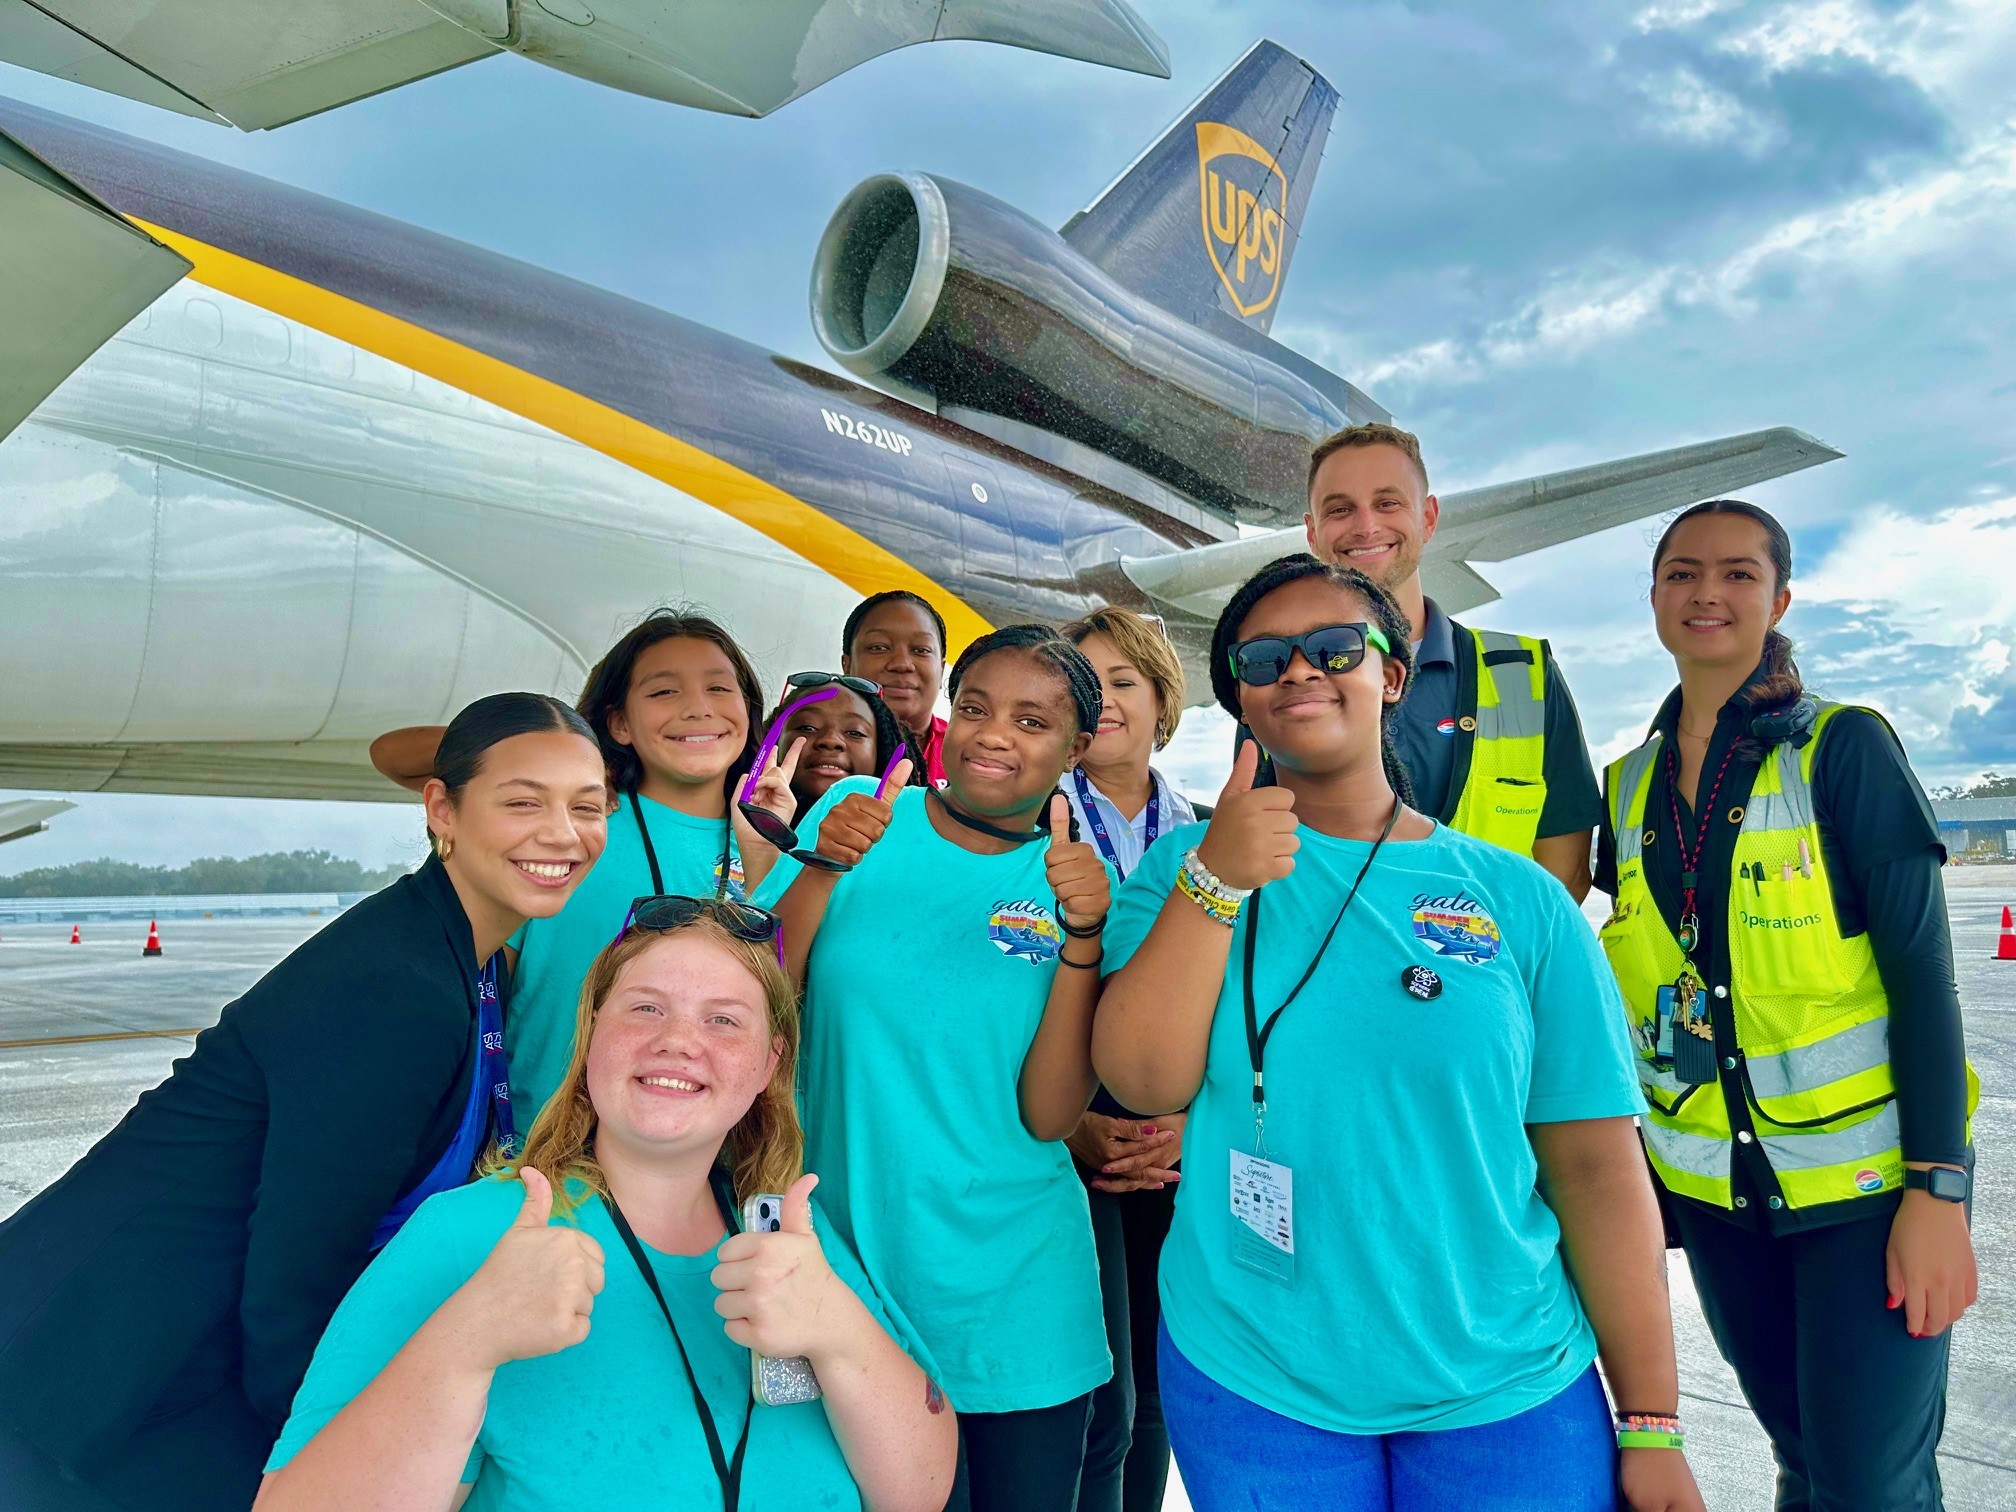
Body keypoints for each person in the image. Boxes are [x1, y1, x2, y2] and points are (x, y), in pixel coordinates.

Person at [1093, 554, 1707, 1512]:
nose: (1299, 671)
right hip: (1257, 1373)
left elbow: (1593, 1165)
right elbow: (1142, 1079)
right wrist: (1216, 880)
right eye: (1264, 660)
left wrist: (1654, 1421)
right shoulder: (1181, 870)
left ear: (1393, 674)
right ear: (1243, 705)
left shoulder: (1520, 903)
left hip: (1504, 1378)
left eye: (1334, 647)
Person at [0, 694, 609, 1512]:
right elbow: (301, 1263)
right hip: (113, 1372)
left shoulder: (467, 957)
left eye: (587, 805)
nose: (563, 833)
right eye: (523, 802)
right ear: (443, 810)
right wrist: (323, 1459)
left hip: (167, 1350)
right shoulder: (396, 983)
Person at [256, 899, 957, 1512]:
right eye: (646, 1007)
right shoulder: (469, 1236)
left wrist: (840, 1331)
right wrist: (464, 1343)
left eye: (724, 1020)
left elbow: (918, 1492)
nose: (678, 1041)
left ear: (769, 1064)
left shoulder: (791, 1237)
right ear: (592, 1031)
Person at [1593, 499, 1978, 1512]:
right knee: (1802, 1463)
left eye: (1736, 574)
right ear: (1654, 599)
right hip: (1720, 1204)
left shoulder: (1843, 750)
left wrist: (1937, 1194)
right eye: (1681, 573)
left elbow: (1923, 981)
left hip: (1862, 1195)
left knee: (1869, 1486)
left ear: (1780, 599)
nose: (1706, 594)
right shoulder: (1627, 786)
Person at [759, 625, 1114, 1512]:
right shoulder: (858, 818)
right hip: (847, 1271)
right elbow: (758, 1003)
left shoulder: (1077, 881)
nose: (995, 734)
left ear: (1075, 750)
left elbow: (1050, 1118)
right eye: (981, 708)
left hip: (1019, 1296)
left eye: (1033, 721)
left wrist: (1082, 942)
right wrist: (821, 863)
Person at [502, 610, 800, 1128]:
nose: (698, 709)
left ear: (750, 713)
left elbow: (780, 1003)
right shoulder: (570, 827)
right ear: (618, 723)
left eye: (719, 689)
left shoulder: (782, 847)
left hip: (709, 1165)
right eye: (664, 692)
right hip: (547, 1149)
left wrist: (764, 855)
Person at [1303, 424, 1602, 898]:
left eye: (1387, 503)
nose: (1365, 526)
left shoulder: (1523, 675)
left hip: (1489, 967)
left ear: (1428, 517)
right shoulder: (1279, 678)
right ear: (1313, 533)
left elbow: (1562, 880)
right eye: (1340, 510)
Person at [1058, 607, 1195, 1512]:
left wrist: (1193, 1123)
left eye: (1123, 682)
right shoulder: (1034, 824)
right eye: (1083, 684)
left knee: (1161, 1386)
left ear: (1162, 703)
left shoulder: (1214, 834)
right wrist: (1077, 1125)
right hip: (1070, 1123)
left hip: (1184, 1132)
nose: (1102, 702)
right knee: (1103, 1394)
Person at [763, 671, 922, 822]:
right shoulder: (740, 831)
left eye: (855, 732)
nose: (831, 740)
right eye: (807, 727)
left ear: (880, 751)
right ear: (774, 739)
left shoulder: (909, 839)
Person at [841, 589, 951, 785]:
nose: (902, 664)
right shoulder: (818, 744)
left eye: (921, 650)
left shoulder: (964, 752)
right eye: (879, 647)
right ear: (847, 665)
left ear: (941, 669)